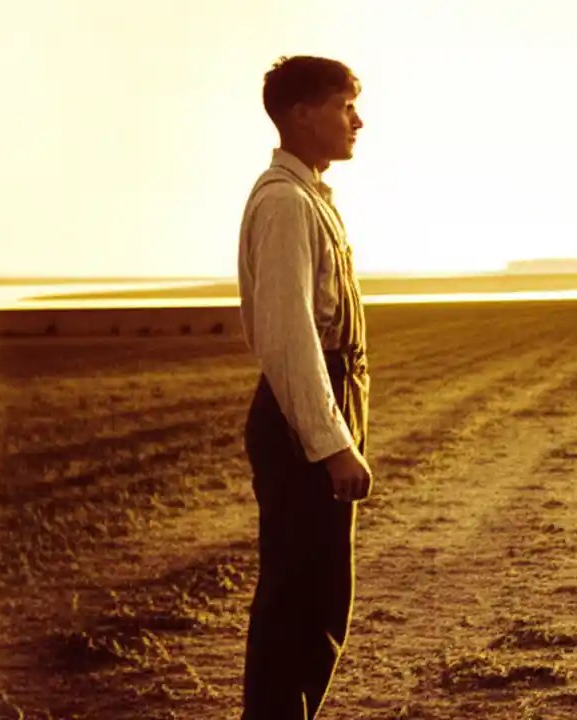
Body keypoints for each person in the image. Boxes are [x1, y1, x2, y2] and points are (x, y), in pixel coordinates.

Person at [236, 55, 372, 719]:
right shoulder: (286, 204)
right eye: (345, 106)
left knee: (320, 595)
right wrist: (331, 442)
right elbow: (290, 338)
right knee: (299, 599)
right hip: (302, 410)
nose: (358, 121)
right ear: (299, 114)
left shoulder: (310, 197)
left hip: (326, 394)